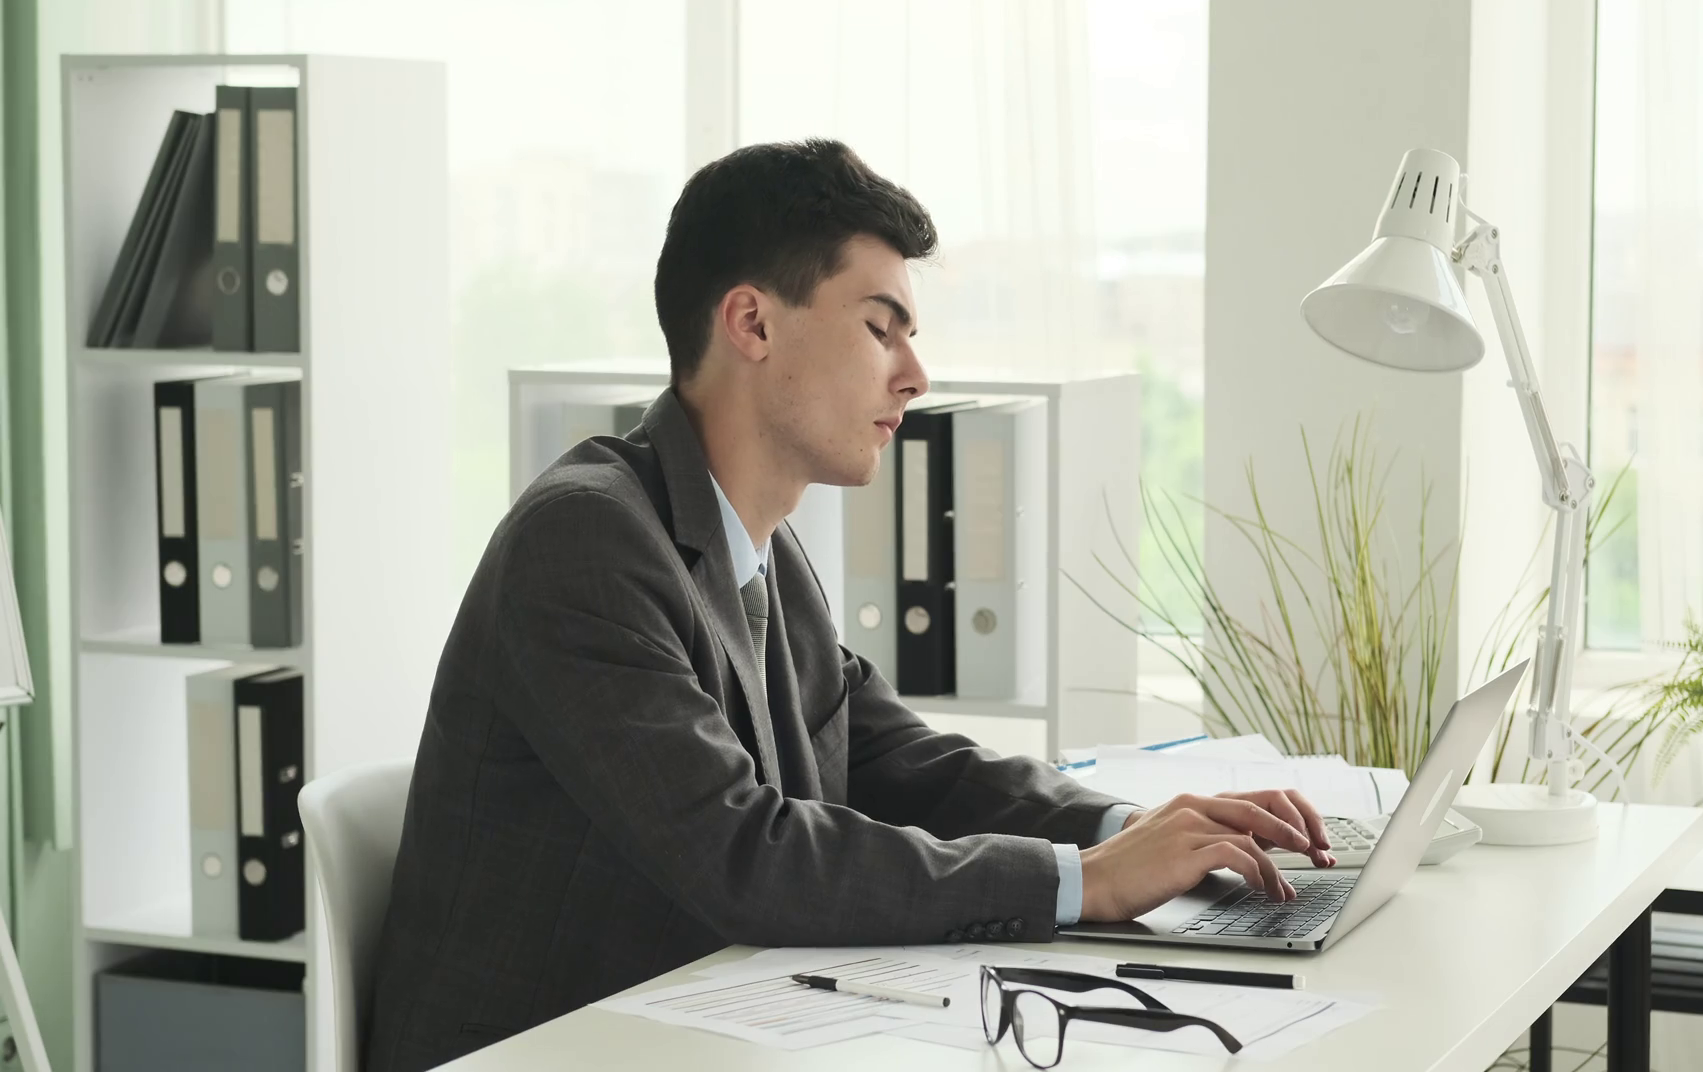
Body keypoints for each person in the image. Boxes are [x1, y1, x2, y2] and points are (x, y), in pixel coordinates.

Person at [365, 139, 1335, 1072]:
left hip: (703, 1025)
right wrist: (1085, 883)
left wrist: (1131, 826)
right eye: (881, 328)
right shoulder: (583, 542)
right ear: (751, 324)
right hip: (546, 1052)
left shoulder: (763, 547)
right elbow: (741, 851)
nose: (914, 376)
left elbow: (895, 762)